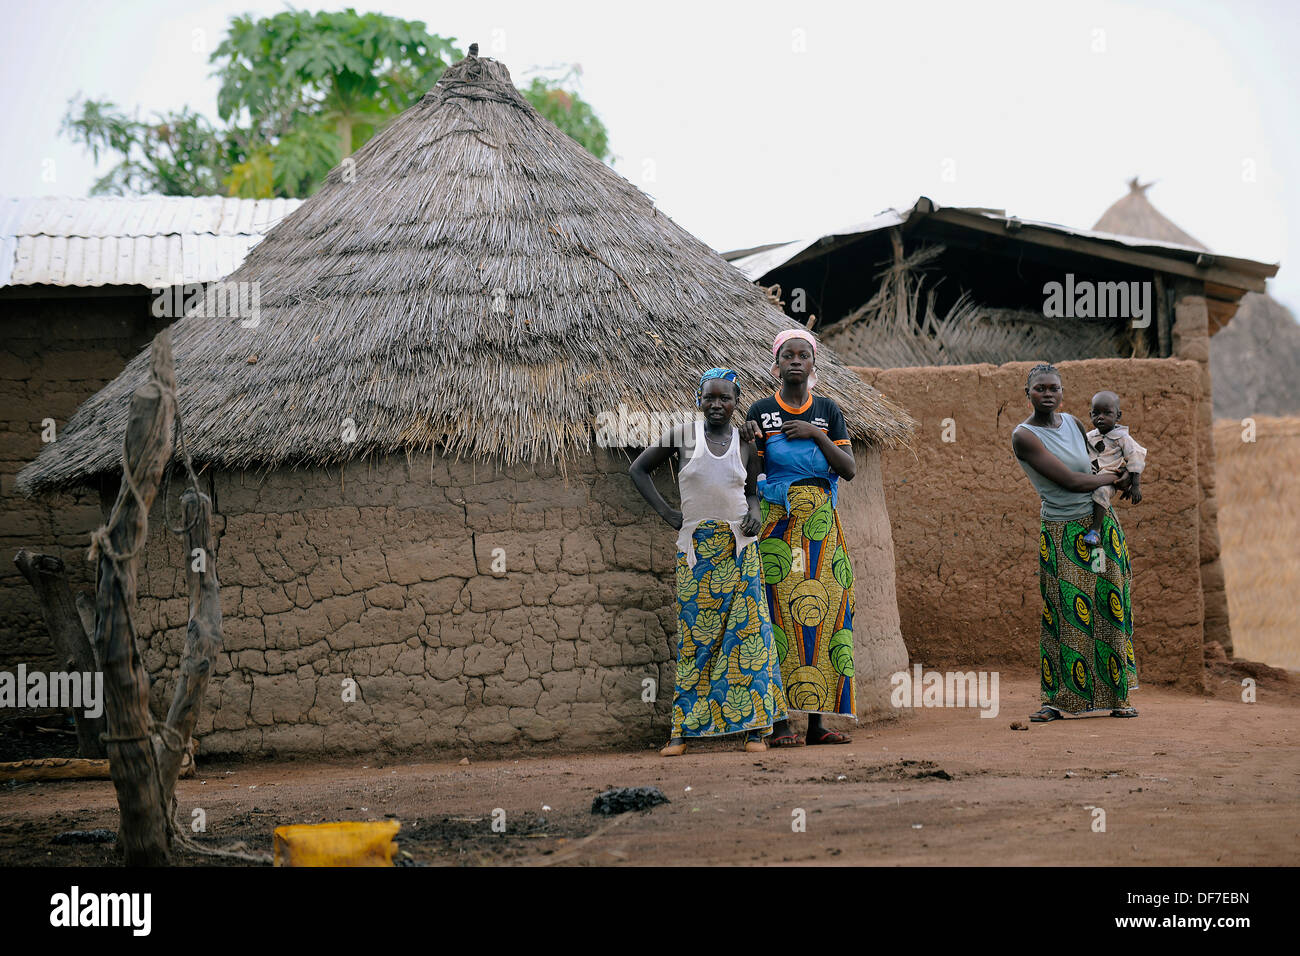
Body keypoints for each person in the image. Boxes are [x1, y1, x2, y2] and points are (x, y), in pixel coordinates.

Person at [629, 368, 788, 756]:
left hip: (740, 550)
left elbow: (751, 492)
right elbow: (638, 469)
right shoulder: (684, 435)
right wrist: (668, 514)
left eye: (725, 398)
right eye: (710, 398)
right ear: (699, 399)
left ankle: (755, 732)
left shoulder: (746, 442)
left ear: (736, 401)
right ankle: (682, 733)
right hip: (697, 554)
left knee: (749, 636)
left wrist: (755, 514)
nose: (717, 405)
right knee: (696, 639)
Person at [742, 329, 857, 746]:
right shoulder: (761, 411)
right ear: (777, 365)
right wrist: (754, 507)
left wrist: (817, 435)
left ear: (813, 364)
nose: (796, 360)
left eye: (803, 355)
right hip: (778, 524)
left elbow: (848, 469)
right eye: (788, 355)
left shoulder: (827, 410)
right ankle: (778, 725)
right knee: (777, 617)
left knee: (825, 614)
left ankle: (818, 724)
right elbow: (752, 472)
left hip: (822, 529)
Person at [1011, 364, 1139, 721]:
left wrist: (1123, 472)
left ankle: (1117, 697)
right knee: (1065, 611)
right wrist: (1115, 478)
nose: (1048, 394)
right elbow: (1070, 480)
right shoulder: (1024, 436)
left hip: (1100, 532)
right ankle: (1058, 700)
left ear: (1063, 393)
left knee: (1108, 604)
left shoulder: (1074, 423)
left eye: (1054, 388)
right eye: (1040, 388)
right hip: (1064, 535)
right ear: (1028, 393)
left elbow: (1099, 462)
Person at [1081, 390, 1146, 548]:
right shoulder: (1089, 437)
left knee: (1101, 492)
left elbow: (1136, 457)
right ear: (1090, 415)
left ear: (1118, 415)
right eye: (1096, 413)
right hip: (1090, 478)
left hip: (1108, 481)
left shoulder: (1123, 438)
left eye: (1107, 413)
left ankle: (1095, 530)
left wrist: (1135, 485)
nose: (1100, 417)